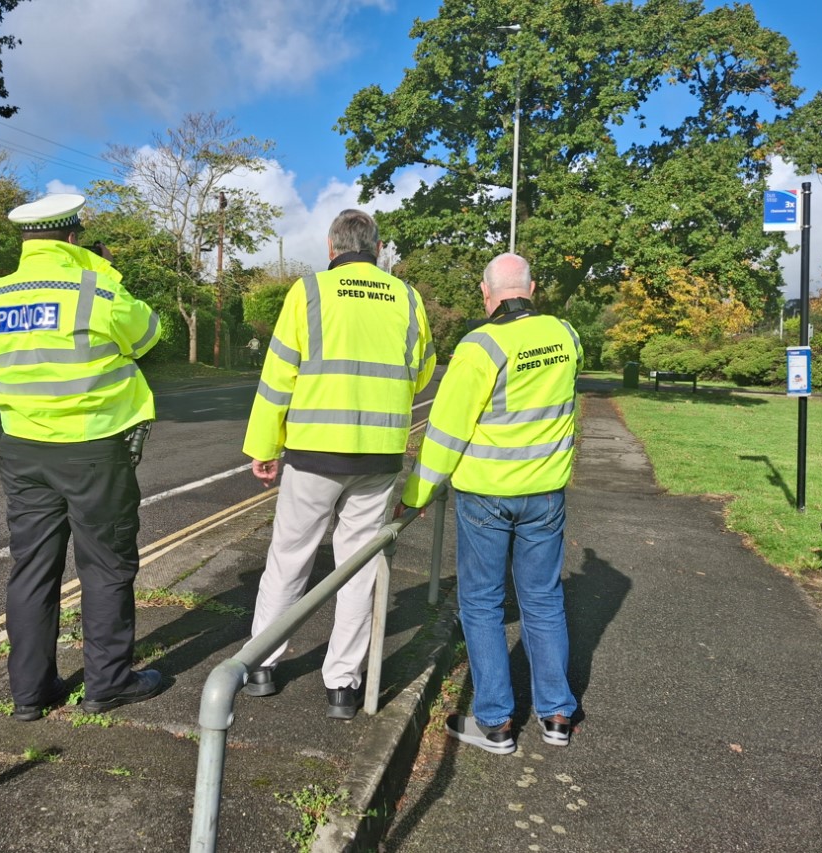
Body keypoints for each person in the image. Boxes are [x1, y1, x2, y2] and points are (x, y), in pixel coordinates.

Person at [0, 193, 165, 722]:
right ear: (74, 236)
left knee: (32, 569)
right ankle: (109, 683)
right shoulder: (97, 285)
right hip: (93, 447)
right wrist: (100, 266)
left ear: (26, 240)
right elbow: (150, 334)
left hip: (22, 447)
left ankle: (29, 695)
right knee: (105, 566)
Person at [241, 209, 435, 719]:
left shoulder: (308, 293)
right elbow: (423, 371)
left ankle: (262, 665)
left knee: (289, 557)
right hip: (379, 453)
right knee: (359, 567)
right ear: (377, 249)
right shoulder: (407, 297)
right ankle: (343, 686)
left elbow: (278, 374)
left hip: (313, 452)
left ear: (332, 248)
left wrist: (264, 445)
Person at [398, 252, 582, 753]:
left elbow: (447, 430)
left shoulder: (480, 345)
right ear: (533, 287)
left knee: (481, 603)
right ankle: (558, 714)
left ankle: (497, 722)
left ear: (486, 292)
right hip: (545, 491)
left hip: (486, 495)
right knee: (543, 599)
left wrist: (415, 495)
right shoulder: (566, 336)